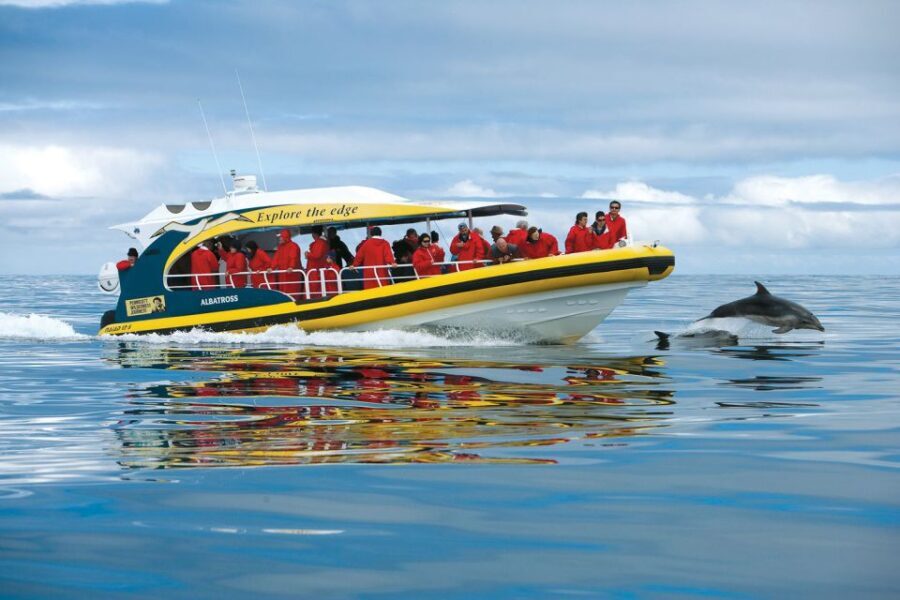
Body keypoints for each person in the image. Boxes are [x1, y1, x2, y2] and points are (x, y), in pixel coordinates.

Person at [271, 228, 303, 297]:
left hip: (292, 275)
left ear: (285, 237)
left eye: (281, 237)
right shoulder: (280, 247)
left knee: (293, 292)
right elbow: (276, 258)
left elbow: (293, 257)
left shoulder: (293, 246)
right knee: (283, 293)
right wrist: (272, 268)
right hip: (283, 275)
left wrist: (291, 267)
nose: (280, 239)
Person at [306, 225, 337, 297]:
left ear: (314, 233)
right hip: (319, 270)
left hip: (316, 271)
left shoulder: (320, 243)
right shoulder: (323, 242)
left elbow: (317, 255)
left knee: (316, 290)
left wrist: (308, 254)